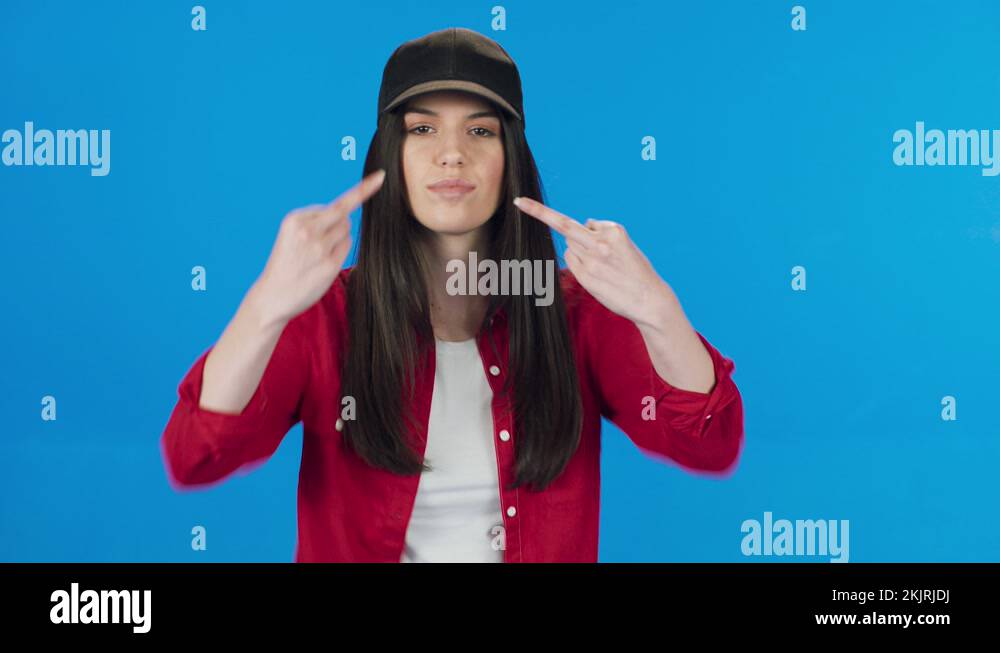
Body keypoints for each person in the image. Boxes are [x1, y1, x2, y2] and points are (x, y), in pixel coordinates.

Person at [160, 27, 745, 562]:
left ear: (510, 160)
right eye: (422, 128)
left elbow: (709, 444)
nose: (451, 153)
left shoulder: (574, 314)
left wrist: (659, 311)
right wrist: (264, 306)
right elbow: (196, 455)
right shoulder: (325, 316)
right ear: (390, 156)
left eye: (480, 130)